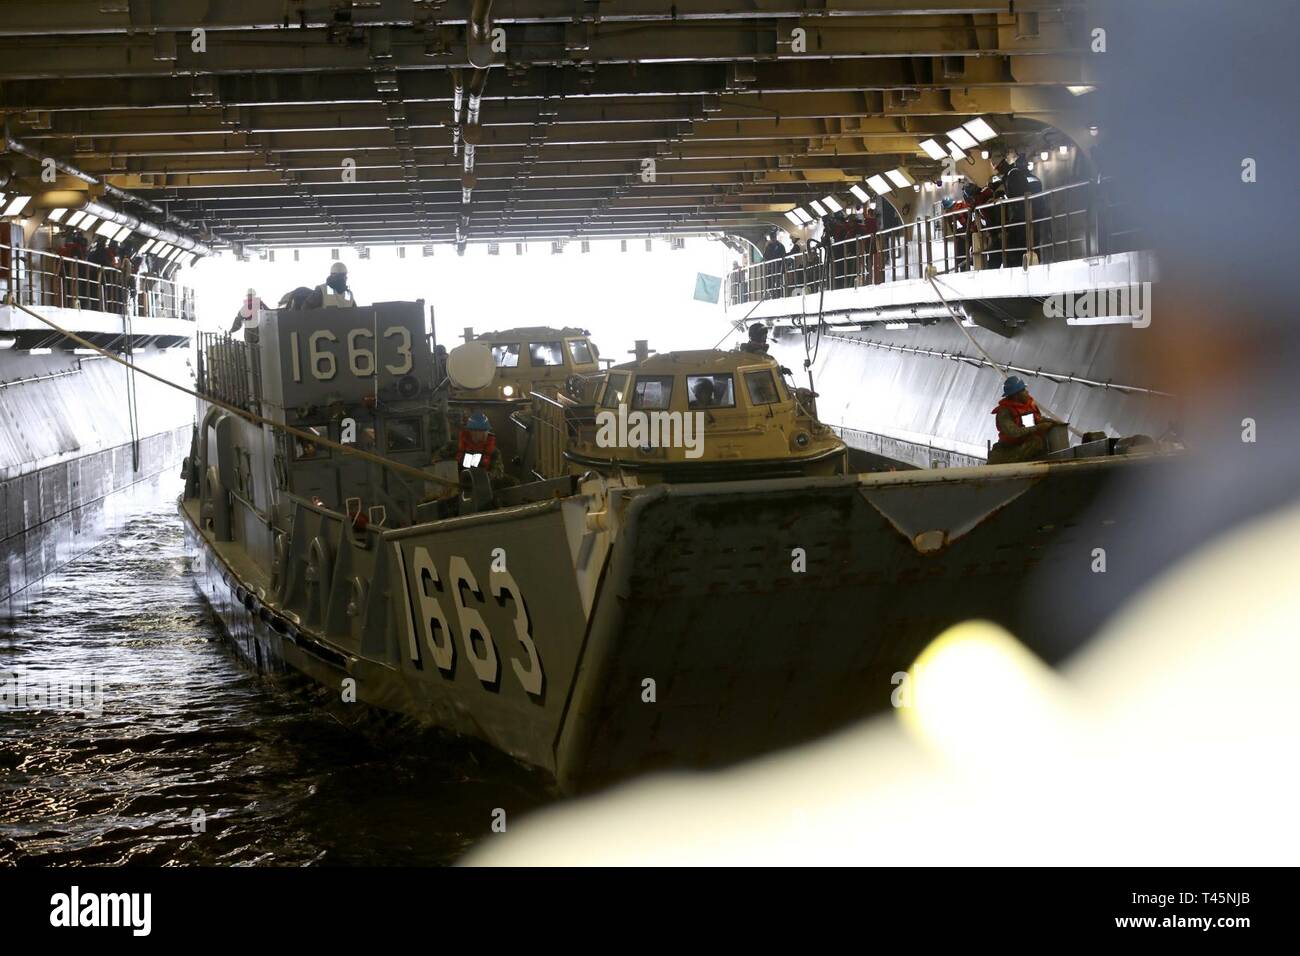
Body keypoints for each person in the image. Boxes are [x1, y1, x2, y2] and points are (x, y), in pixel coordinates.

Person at [987, 376, 1066, 464]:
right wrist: (1038, 427)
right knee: (1035, 442)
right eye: (1024, 390)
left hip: (1024, 444)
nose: (1027, 392)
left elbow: (1036, 418)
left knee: (1037, 440)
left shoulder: (1027, 406)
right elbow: (1014, 432)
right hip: (1008, 448)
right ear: (1016, 395)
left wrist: (1050, 421)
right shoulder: (1004, 412)